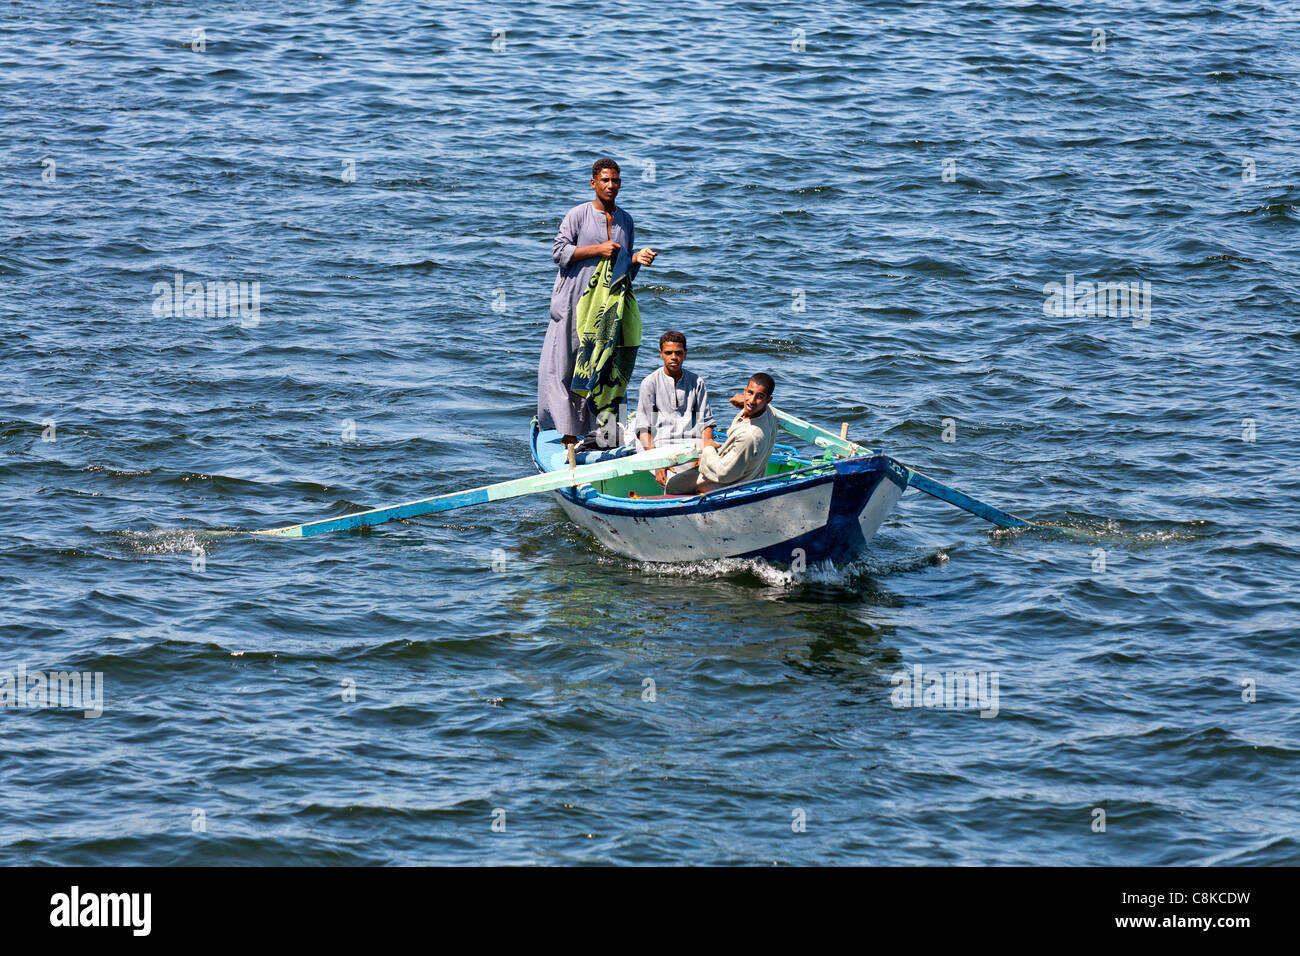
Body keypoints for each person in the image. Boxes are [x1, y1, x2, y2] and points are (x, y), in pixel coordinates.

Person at [537, 159, 658, 447]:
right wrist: (597, 249)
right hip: (573, 300)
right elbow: (558, 252)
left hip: (608, 307)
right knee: (566, 363)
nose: (611, 185)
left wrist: (636, 259)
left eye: (615, 180)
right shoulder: (578, 215)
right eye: (605, 180)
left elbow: (623, 269)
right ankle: (567, 434)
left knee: (606, 366)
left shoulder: (626, 220)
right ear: (593, 183)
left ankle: (606, 436)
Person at [664, 373, 778, 494]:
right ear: (744, 391)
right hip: (753, 476)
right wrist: (743, 402)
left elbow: (724, 474)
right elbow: (758, 404)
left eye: (760, 396)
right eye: (750, 393)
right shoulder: (770, 412)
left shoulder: (749, 436)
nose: (752, 400)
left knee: (673, 484)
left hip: (733, 483)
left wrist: (707, 448)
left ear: (768, 400)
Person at [633, 330, 718, 489]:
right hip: (659, 445)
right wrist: (656, 460)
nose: (673, 357)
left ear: (685, 354)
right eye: (668, 353)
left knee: (715, 474)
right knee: (673, 483)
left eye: (678, 353)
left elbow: (706, 423)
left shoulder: (696, 382)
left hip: (692, 444)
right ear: (661, 354)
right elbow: (643, 428)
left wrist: (705, 451)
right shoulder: (649, 383)